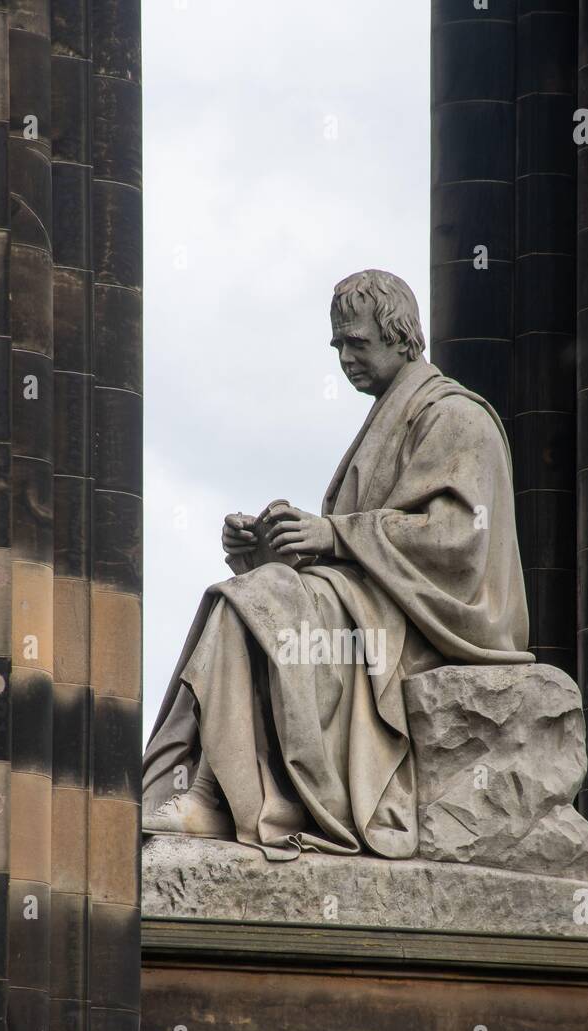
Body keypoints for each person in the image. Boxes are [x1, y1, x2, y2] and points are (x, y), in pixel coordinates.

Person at [142, 269, 533, 860]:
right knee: (248, 592)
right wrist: (263, 549)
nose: (346, 358)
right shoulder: (386, 416)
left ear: (402, 337)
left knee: (263, 598)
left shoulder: (456, 417)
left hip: (433, 625)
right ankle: (208, 789)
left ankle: (214, 797)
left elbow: (458, 542)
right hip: (372, 607)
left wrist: (332, 533)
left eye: (358, 343)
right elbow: (346, 558)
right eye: (338, 346)